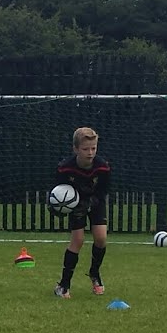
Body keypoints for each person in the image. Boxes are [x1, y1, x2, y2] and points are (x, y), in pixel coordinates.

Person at [52, 127, 112, 298]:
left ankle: (95, 274)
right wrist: (57, 206)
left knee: (100, 238)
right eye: (86, 149)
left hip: (95, 203)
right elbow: (57, 191)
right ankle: (64, 285)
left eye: (93, 148)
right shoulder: (64, 168)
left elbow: (104, 190)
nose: (90, 152)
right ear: (76, 149)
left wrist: (92, 201)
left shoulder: (103, 167)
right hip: (76, 206)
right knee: (77, 240)